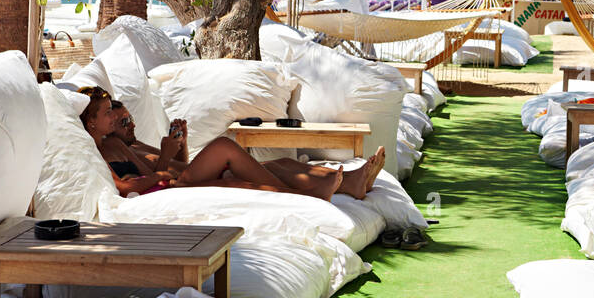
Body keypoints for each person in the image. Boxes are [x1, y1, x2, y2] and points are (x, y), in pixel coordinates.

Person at [77, 86, 385, 202]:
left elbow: (171, 167)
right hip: (166, 186)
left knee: (282, 164)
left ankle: (349, 182)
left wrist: (175, 149)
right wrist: (163, 165)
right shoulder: (104, 149)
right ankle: (310, 193)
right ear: (93, 122)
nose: (129, 125)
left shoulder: (123, 145)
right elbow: (136, 181)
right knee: (225, 148)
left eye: (129, 119)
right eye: (118, 120)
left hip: (175, 178)